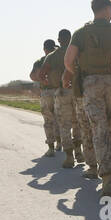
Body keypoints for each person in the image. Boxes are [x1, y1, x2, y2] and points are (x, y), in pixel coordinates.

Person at [65, 0, 111, 199]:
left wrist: (79, 71)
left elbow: (68, 60)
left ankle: (106, 175)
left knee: (97, 128)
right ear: (108, 9)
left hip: (91, 84)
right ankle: (109, 174)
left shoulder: (81, 33)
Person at [46, 29, 82, 168]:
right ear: (71, 38)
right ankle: (79, 150)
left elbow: (41, 74)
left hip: (61, 92)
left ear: (59, 40)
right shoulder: (77, 52)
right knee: (78, 122)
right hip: (77, 91)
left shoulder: (52, 56)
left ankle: (69, 157)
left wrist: (52, 82)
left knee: (64, 125)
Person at [31, 39, 61, 157]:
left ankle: (51, 147)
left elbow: (33, 76)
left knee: (49, 120)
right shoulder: (59, 58)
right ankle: (60, 143)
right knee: (62, 118)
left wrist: (42, 79)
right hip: (61, 91)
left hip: (47, 92)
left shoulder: (40, 61)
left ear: (44, 49)